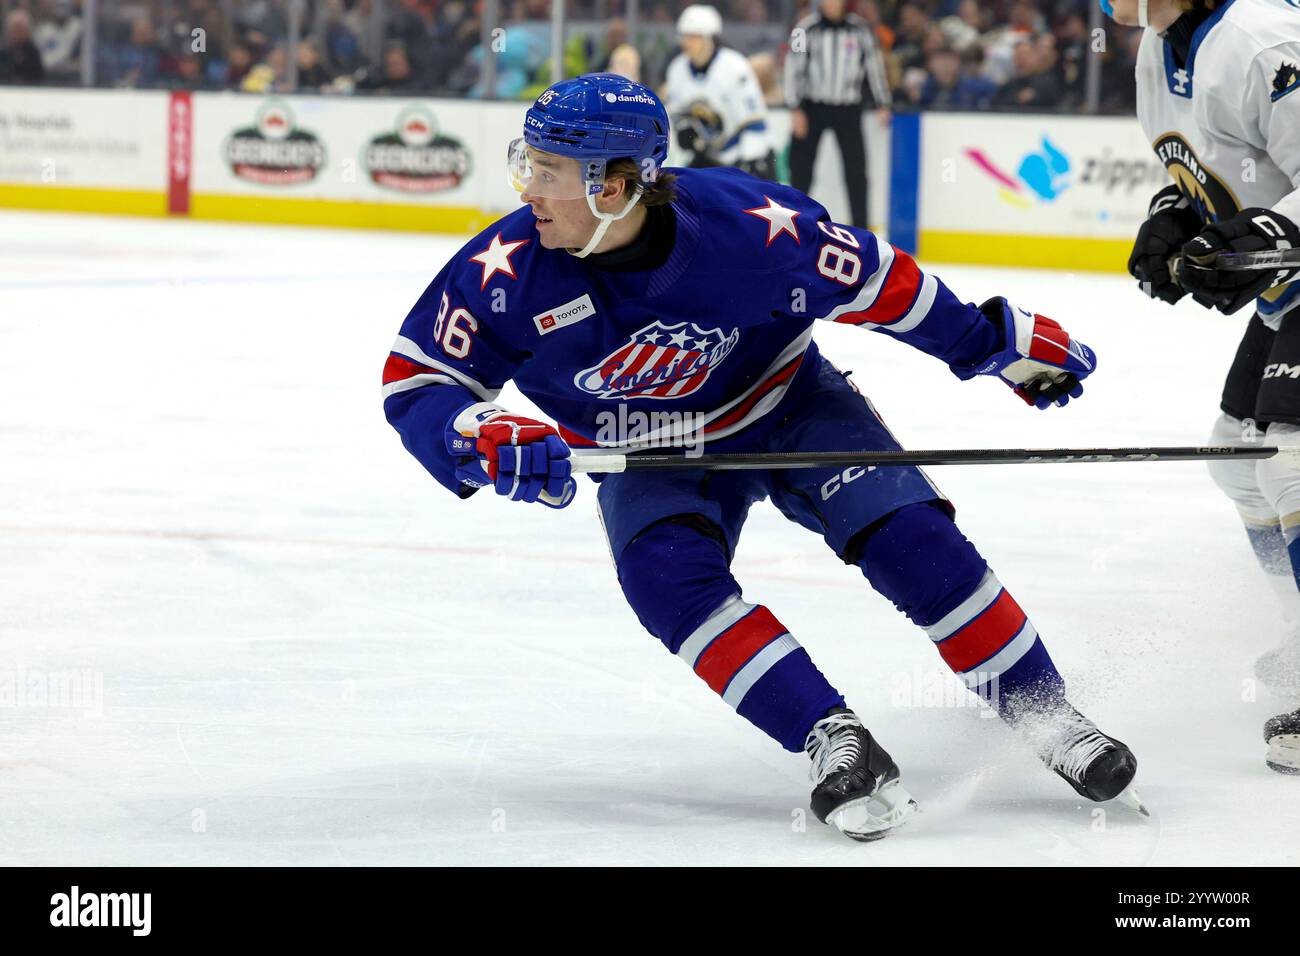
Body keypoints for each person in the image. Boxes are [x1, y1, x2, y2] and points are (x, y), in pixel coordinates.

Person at [382, 74, 1137, 841]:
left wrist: (988, 345)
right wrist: (474, 434)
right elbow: (419, 378)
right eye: (527, 164)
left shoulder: (749, 230)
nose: (528, 190)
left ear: (615, 185)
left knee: (914, 543)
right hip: (641, 448)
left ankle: (1051, 719)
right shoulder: (505, 271)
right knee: (665, 583)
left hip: (789, 406)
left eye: (549, 172)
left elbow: (880, 283)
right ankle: (831, 736)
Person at [1106, 0, 1300, 773]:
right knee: (1238, 461)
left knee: (1289, 457)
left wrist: (1274, 232)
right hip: (1293, 294)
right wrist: (1174, 216)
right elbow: (1207, 163)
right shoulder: (1159, 44)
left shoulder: (1265, 38)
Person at [784, 0, 891, 229]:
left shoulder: (861, 30)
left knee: (856, 172)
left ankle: (861, 231)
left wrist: (883, 103)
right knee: (801, 171)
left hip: (848, 108)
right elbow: (793, 69)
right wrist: (795, 108)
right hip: (813, 107)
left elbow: (874, 67)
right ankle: (794, 225)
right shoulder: (803, 29)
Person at [663, 5, 775, 180]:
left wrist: (748, 162)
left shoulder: (734, 67)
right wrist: (685, 129)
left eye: (694, 36)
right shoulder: (677, 69)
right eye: (684, 36)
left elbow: (754, 123)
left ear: (709, 38)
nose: (686, 42)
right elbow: (674, 115)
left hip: (740, 156)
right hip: (707, 158)